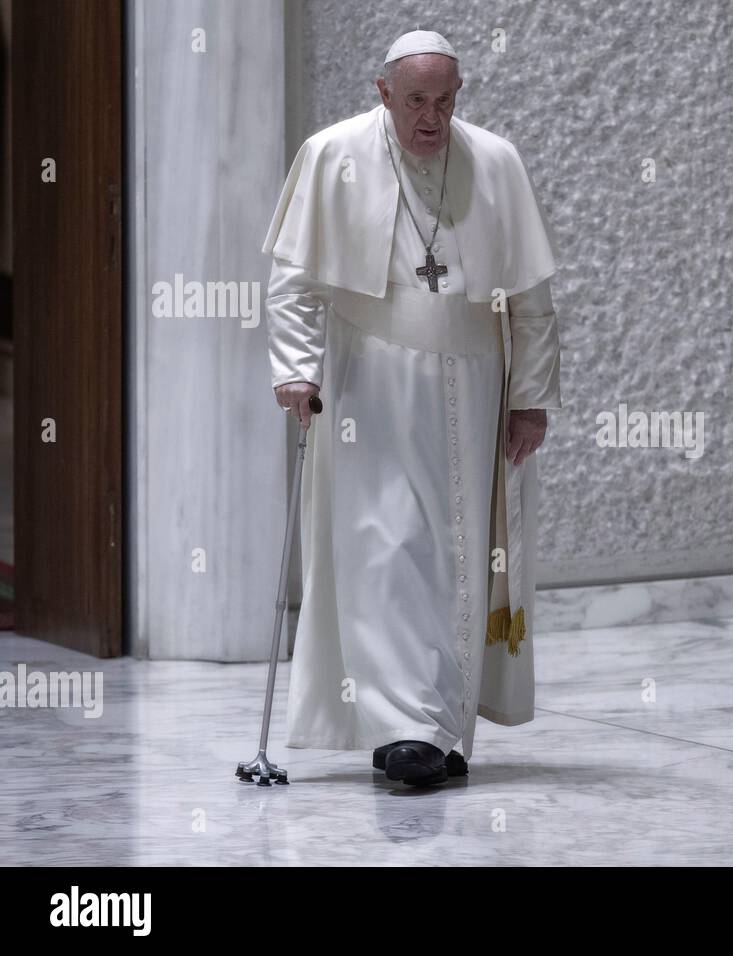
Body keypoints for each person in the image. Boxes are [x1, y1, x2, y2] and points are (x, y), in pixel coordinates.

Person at [261, 29, 562, 786]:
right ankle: (404, 729)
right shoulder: (332, 156)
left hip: (478, 378)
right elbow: (295, 283)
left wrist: (530, 398)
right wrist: (296, 370)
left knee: (463, 555)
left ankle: (444, 727)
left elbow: (531, 299)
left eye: (447, 100)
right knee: (387, 543)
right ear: (383, 92)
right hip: (372, 382)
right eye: (418, 101)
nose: (433, 118)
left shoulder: (495, 160)